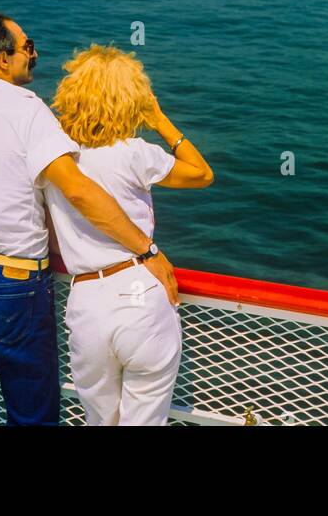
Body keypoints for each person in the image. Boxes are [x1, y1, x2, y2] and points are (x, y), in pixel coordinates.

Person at [0, 14, 178, 427]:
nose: (35, 54)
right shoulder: (29, 111)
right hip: (13, 288)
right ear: (3, 59)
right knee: (31, 413)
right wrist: (147, 250)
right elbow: (77, 189)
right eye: (28, 46)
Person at [44, 45, 213, 426]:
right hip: (140, 294)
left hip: (87, 299)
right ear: (132, 98)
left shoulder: (56, 160)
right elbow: (202, 174)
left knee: (100, 421)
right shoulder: (137, 153)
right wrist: (159, 119)